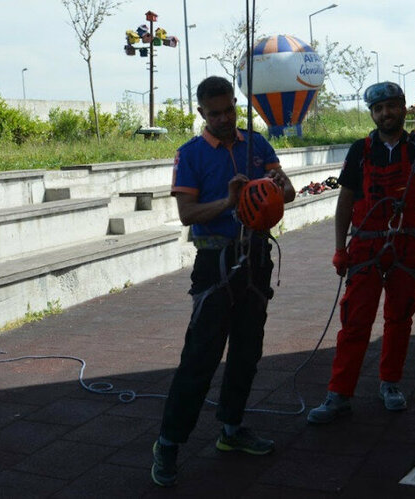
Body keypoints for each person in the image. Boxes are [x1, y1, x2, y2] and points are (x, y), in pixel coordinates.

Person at [151, 76, 295, 487]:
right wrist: (230, 203)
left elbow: (287, 193)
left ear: (235, 104)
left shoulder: (258, 145)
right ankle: (168, 443)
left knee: (248, 350)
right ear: (201, 113)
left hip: (256, 257)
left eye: (229, 109)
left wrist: (280, 189)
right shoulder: (190, 154)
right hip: (214, 259)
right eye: (214, 113)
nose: (224, 118)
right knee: (200, 355)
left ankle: (231, 430)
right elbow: (187, 214)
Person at [307, 82, 415, 424]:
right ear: (373, 113)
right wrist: (340, 249)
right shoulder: (360, 150)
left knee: (399, 318)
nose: (386, 113)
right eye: (379, 108)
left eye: (392, 106)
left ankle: (390, 383)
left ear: (403, 109)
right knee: (355, 321)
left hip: (405, 245)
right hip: (366, 246)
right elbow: (345, 201)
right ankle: (339, 393)